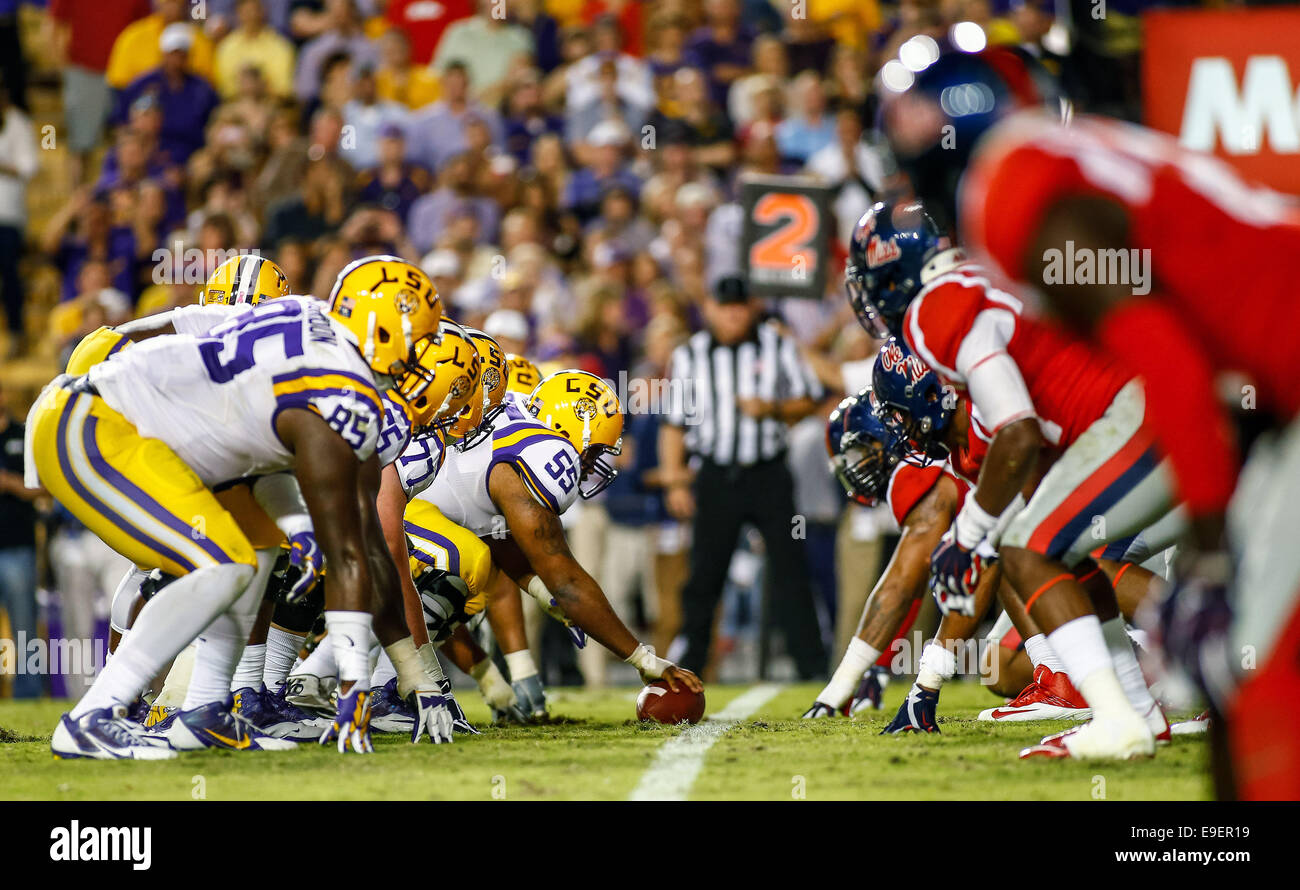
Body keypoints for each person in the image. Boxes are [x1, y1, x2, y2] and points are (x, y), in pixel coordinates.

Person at [886, 46, 1300, 796]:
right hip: (1275, 387)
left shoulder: (1014, 194)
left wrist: (1211, 553)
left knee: (1264, 704)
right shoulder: (1072, 150)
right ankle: (1132, 712)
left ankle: (1124, 717)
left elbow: (1166, 358)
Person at [659, 276, 827, 680]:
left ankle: (811, 668)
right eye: (725, 306)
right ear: (711, 308)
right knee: (704, 575)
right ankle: (690, 669)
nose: (733, 314)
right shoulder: (689, 355)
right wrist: (676, 481)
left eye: (740, 306)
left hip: (769, 474)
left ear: (751, 307)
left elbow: (808, 400)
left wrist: (771, 409)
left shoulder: (778, 346)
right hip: (715, 476)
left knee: (791, 569)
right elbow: (673, 424)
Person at [0, 382, 41, 698]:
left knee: (24, 626)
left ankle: (28, 692)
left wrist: (9, 483)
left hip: (17, 545)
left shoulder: (24, 433)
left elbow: (43, 487)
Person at [0, 83, 35, 353]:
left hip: (8, 213)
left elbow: (29, 167)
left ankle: (16, 330)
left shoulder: (19, 125)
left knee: (8, 271)